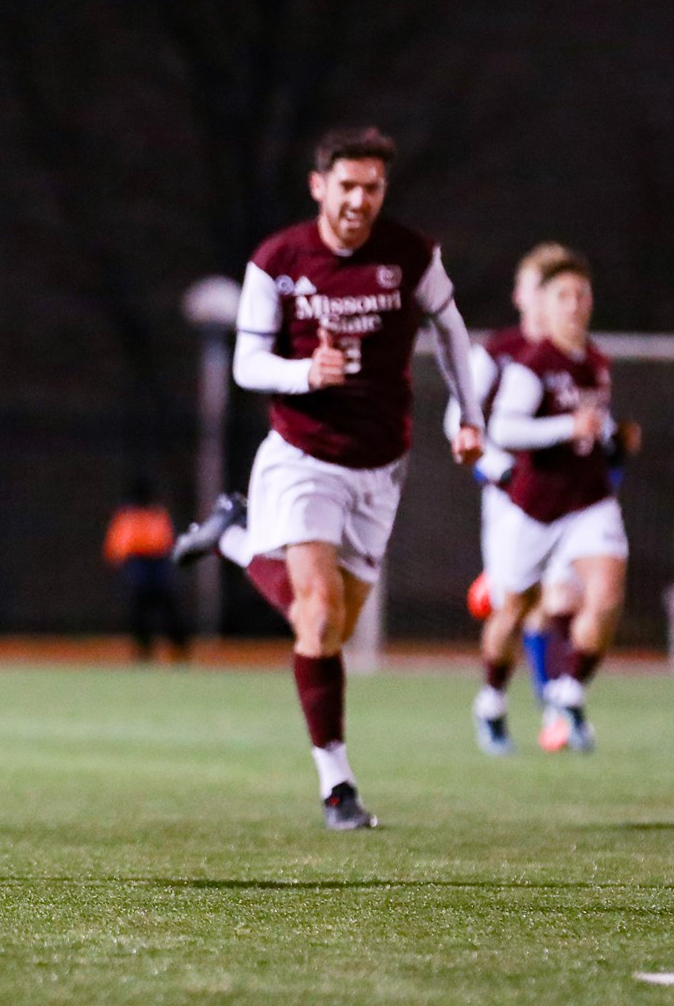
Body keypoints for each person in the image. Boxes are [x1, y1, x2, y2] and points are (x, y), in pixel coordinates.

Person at [175, 127, 486, 830]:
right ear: (319, 186)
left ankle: (232, 537)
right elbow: (247, 364)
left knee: (331, 625)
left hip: (380, 465)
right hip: (302, 456)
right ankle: (337, 785)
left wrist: (471, 417)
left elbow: (452, 326)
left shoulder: (409, 254)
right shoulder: (279, 261)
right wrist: (304, 374)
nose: (358, 199)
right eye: (346, 185)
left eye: (371, 187)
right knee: (315, 614)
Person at [475, 254, 639, 754]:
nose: (575, 305)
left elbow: (593, 425)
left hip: (588, 502)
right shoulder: (529, 366)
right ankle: (491, 700)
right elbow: (503, 429)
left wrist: (615, 439)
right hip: (534, 505)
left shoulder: (596, 362)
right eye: (564, 296)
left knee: (604, 595)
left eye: (582, 295)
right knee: (516, 610)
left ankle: (566, 695)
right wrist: (567, 428)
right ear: (543, 304)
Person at [451, 241, 580, 753]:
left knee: (562, 599)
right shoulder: (499, 353)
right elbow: (458, 423)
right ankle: (495, 704)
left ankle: (556, 709)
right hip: (511, 503)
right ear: (524, 295)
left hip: (565, 501)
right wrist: (500, 473)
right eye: (539, 288)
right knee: (521, 607)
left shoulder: (571, 358)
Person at [102, 478, 189, 662]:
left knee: (166, 609)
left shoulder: (153, 514)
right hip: (139, 564)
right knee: (140, 611)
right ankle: (144, 650)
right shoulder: (132, 516)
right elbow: (117, 547)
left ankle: (177, 648)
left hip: (155, 564)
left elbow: (165, 541)